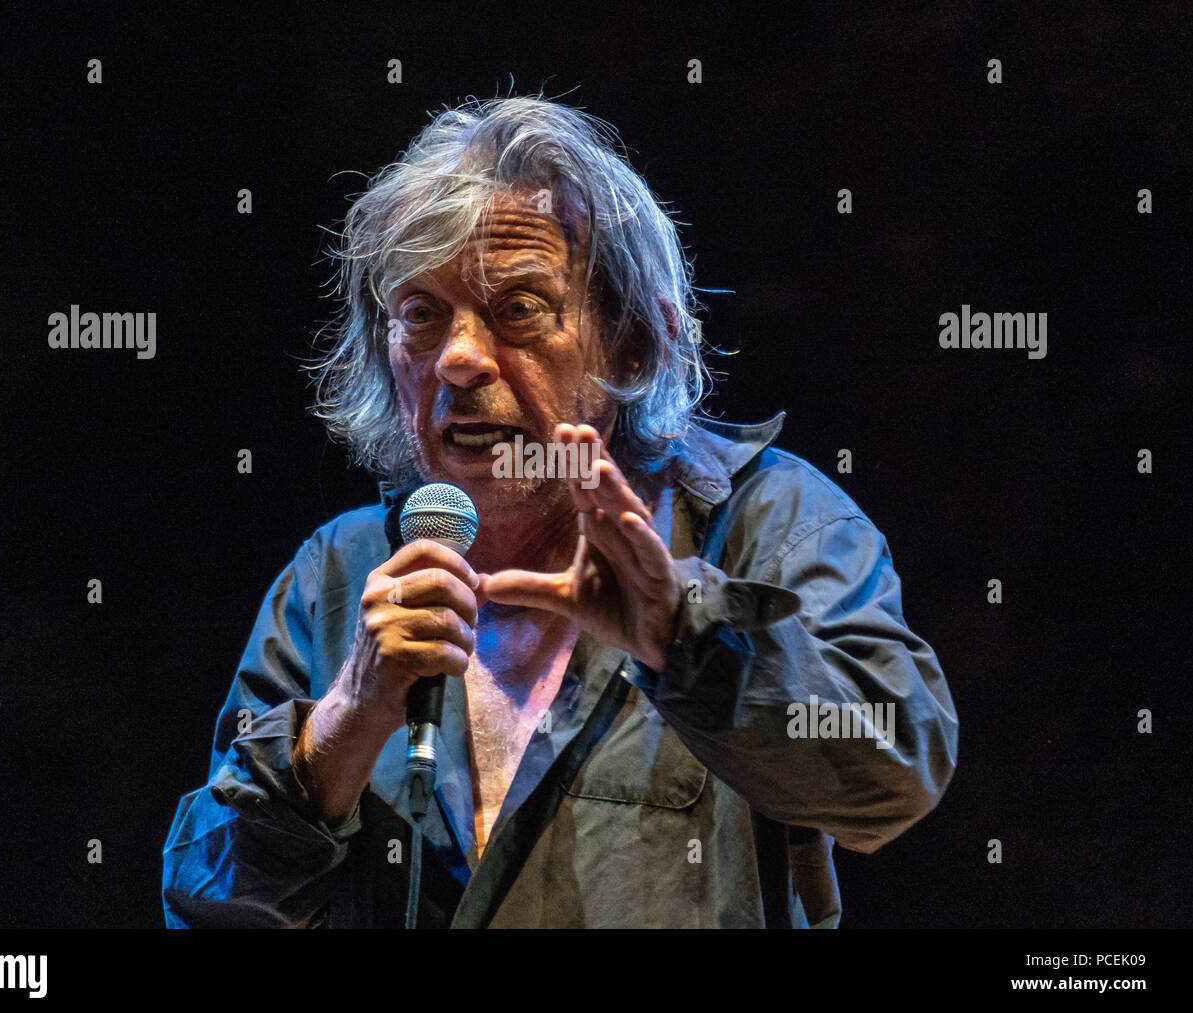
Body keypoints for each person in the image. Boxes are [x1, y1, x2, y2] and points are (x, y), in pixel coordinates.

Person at [161, 94, 958, 928]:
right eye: (421, 315)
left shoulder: (768, 522)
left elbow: (896, 773)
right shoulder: (335, 575)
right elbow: (207, 909)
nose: (462, 359)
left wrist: (683, 636)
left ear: (634, 343)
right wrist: (344, 721)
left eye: (518, 309)